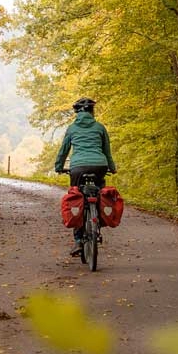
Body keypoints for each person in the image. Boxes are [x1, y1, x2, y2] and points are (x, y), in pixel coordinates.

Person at [54, 97, 116, 256]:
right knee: (100, 193)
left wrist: (59, 167)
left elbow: (63, 151)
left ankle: (78, 241)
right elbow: (107, 151)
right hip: (99, 166)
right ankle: (98, 223)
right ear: (91, 112)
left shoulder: (72, 129)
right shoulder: (100, 127)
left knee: (76, 197)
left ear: (77, 113)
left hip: (78, 168)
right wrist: (112, 168)